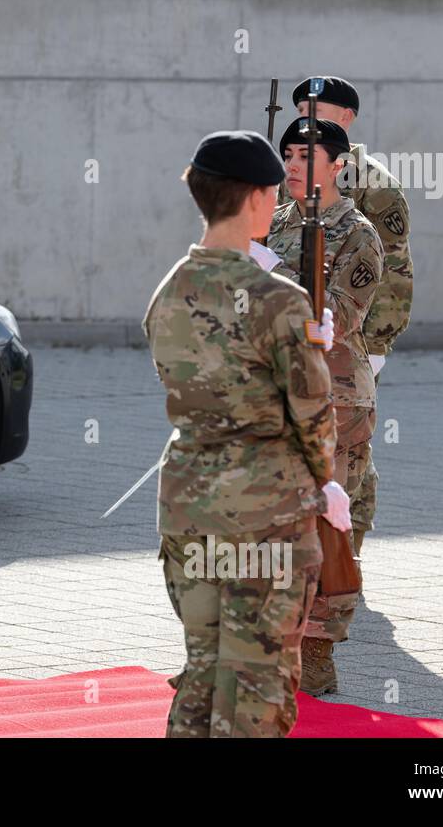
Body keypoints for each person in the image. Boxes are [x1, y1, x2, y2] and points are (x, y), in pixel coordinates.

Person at [143, 129, 349, 737]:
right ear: (257, 198)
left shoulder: (168, 291)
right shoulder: (278, 299)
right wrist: (326, 484)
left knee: (202, 672)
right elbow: (312, 415)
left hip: (187, 504)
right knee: (257, 683)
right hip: (267, 512)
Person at [260, 116, 384, 696]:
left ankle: (317, 648)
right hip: (275, 392)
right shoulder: (273, 220)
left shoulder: (358, 234)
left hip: (335, 397)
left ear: (338, 165)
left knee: (329, 523)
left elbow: (336, 317)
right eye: (287, 153)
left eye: (307, 156)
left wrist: (270, 268)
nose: (291, 165)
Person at [289, 76, 414, 550]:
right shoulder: (297, 173)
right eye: (302, 111)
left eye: (317, 111)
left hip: (352, 335)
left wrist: (378, 343)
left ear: (347, 118)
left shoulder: (376, 186)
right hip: (302, 331)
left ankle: (348, 543)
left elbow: (394, 271)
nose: (307, 119)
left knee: (348, 442)